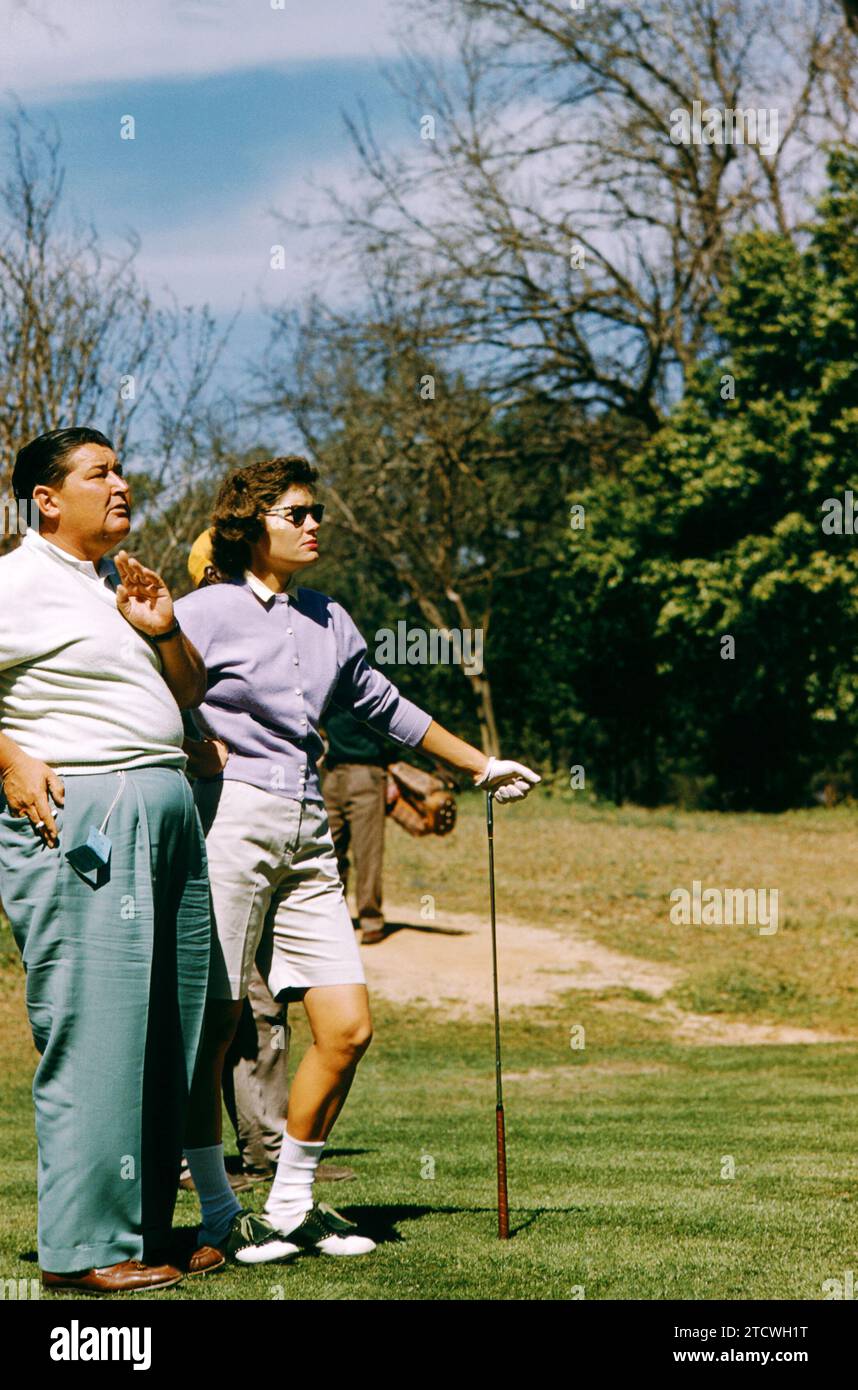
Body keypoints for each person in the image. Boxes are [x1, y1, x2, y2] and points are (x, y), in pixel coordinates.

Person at [174, 455, 540, 1267]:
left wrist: (481, 766)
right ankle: (217, 1211)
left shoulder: (329, 616)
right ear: (248, 525)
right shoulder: (200, 610)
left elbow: (385, 705)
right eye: (294, 513)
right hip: (227, 821)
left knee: (347, 1026)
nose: (312, 525)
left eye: (317, 514)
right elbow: (149, 698)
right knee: (214, 1026)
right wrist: (195, 750)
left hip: (307, 826)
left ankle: (292, 1204)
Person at [0, 427, 212, 1294]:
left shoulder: (116, 587)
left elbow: (191, 693)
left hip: (167, 812)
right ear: (47, 498)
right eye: (100, 473)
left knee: (172, 1029)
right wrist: (6, 757)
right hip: (83, 816)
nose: (122, 484)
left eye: (122, 469)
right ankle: (84, 1248)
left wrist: (163, 633)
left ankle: (150, 1227)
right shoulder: (12, 580)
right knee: (97, 1030)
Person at [321, 706, 392, 944]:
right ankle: (333, 917)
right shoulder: (322, 688)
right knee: (328, 850)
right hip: (331, 773)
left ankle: (371, 919)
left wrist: (389, 772)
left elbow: (391, 729)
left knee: (368, 851)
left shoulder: (365, 686)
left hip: (366, 772)